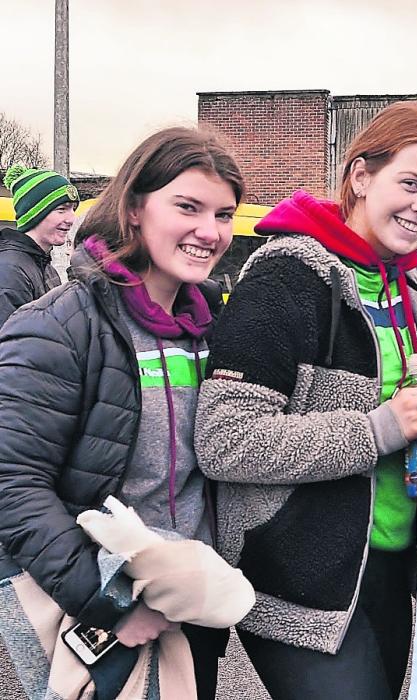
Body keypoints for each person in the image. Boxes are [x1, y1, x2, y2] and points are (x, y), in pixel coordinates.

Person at [194, 100, 417, 700]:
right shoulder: (287, 276)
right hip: (300, 574)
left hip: (391, 562)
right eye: (411, 183)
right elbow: (225, 441)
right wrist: (378, 428)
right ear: (361, 176)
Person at [0, 127, 243, 699]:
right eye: (188, 207)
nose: (210, 232)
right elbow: (13, 483)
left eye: (225, 214)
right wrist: (111, 604)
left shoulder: (212, 321)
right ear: (135, 208)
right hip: (98, 607)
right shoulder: (58, 323)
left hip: (190, 599)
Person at [0, 165, 79, 327]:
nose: (71, 218)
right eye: (61, 209)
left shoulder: (45, 267)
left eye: (72, 209)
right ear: (34, 214)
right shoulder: (9, 270)